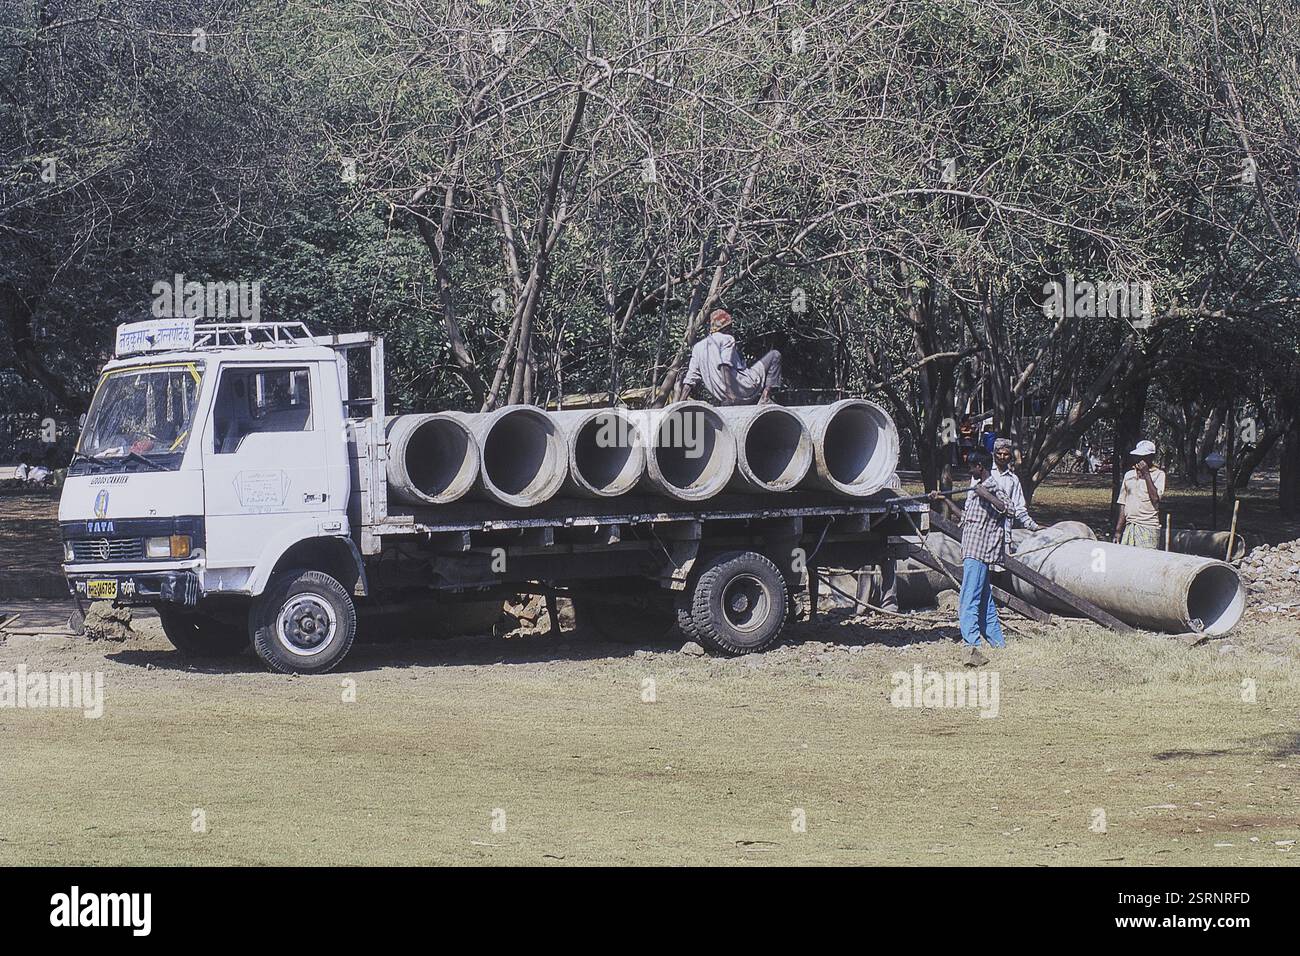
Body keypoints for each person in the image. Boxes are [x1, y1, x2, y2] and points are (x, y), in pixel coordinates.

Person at [933, 448, 1013, 667]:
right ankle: (998, 643)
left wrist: (985, 494)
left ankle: (972, 644)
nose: (970, 470)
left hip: (979, 552)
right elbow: (966, 518)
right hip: (971, 549)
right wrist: (945, 499)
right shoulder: (975, 488)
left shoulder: (992, 486)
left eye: (972, 466)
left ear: (981, 467)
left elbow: (1009, 509)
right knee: (985, 601)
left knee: (968, 599)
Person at [675, 309, 782, 405]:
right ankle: (765, 396)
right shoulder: (727, 339)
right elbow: (724, 365)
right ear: (726, 326)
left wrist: (680, 403)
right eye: (730, 326)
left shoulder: (698, 347)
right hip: (741, 389)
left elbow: (690, 378)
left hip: (722, 396)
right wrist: (729, 393)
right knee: (775, 355)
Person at [991, 438, 1041, 552]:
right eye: (999, 453)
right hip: (983, 532)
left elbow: (1019, 508)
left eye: (1006, 454)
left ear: (1010, 456)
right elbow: (971, 501)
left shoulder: (1013, 479)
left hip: (1004, 533)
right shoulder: (984, 474)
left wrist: (1033, 526)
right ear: (994, 454)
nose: (1002, 457)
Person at [1114, 439, 1165, 548]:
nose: (1139, 459)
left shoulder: (1159, 475)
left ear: (1151, 457)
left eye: (1143, 456)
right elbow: (1123, 503)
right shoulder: (1129, 475)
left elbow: (1155, 499)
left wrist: (1146, 474)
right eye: (1137, 456)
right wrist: (1118, 530)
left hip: (1148, 526)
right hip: (1130, 526)